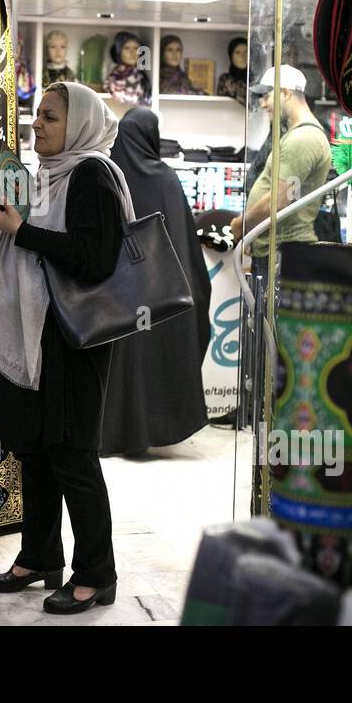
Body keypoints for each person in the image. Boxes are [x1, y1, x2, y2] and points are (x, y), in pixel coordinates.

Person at [0, 81, 132, 614]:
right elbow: (29, 263)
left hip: (69, 341)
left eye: (49, 117)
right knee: (36, 452)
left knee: (72, 457)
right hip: (33, 335)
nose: (36, 125)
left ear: (80, 124)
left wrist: (20, 230)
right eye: (35, 116)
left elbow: (93, 259)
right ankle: (40, 557)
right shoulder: (48, 177)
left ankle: (97, 573)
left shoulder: (93, 174)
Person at [100, 108, 211, 456]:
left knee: (118, 364)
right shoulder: (166, 180)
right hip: (160, 297)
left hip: (114, 293)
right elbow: (184, 248)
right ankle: (150, 429)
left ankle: (114, 432)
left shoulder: (109, 177)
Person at [231, 64, 332, 270]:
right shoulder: (297, 135)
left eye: (267, 96)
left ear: (285, 93)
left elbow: (278, 200)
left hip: (282, 255)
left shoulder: (302, 139)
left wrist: (241, 225)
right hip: (277, 252)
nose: (263, 104)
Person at [106, 31, 151, 105]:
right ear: (119, 51)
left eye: (136, 48)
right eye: (127, 48)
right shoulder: (111, 80)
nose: (132, 52)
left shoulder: (144, 80)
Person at [217, 36, 249, 104]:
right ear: (231, 56)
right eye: (238, 52)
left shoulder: (256, 79)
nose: (243, 56)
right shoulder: (225, 80)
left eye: (246, 52)